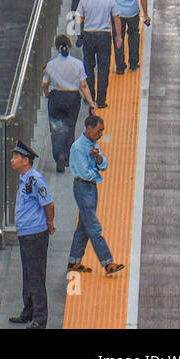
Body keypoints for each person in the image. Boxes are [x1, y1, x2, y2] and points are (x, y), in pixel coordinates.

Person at [67, 114, 125, 276]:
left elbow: (104, 164)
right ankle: (107, 262)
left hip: (90, 188)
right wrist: (97, 172)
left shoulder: (93, 145)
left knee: (84, 226)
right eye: (98, 131)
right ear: (89, 128)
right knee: (93, 226)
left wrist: (98, 158)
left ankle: (74, 260)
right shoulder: (78, 147)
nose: (100, 135)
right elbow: (85, 173)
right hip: (83, 187)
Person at [8, 142, 55, 329]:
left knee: (35, 276)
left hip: (35, 235)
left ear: (25, 161)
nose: (12, 160)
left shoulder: (34, 180)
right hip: (26, 235)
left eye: (15, 157)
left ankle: (40, 319)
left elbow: (49, 204)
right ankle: (28, 311)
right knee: (28, 275)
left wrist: (49, 222)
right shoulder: (24, 179)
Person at [42, 35, 94, 171]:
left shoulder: (50, 65)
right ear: (69, 47)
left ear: (56, 48)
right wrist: (91, 103)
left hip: (56, 97)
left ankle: (59, 155)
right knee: (70, 127)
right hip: (73, 98)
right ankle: (68, 155)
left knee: (56, 128)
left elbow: (44, 83)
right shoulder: (77, 64)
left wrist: (47, 93)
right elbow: (83, 85)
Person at [76, 0, 116, 109]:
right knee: (103, 69)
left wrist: (79, 33)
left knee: (88, 67)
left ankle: (90, 97)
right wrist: (118, 36)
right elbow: (116, 18)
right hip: (104, 36)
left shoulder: (84, 0)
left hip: (89, 36)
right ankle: (101, 100)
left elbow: (78, 19)